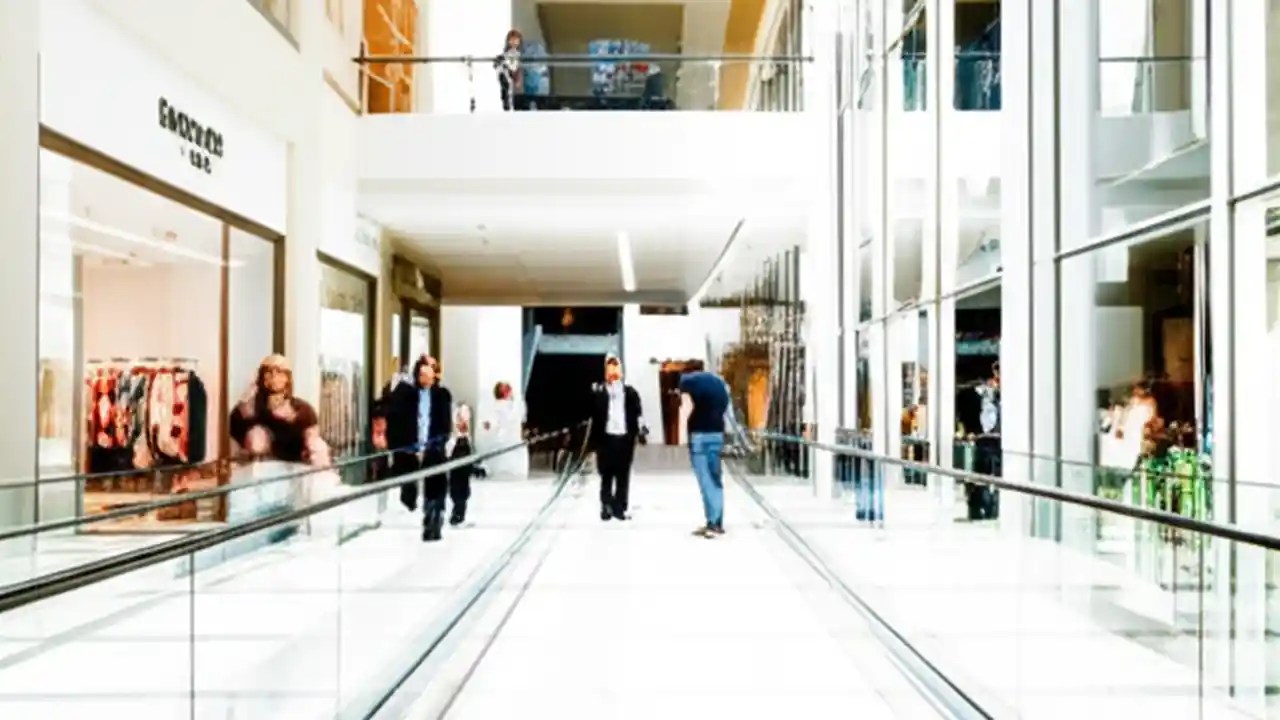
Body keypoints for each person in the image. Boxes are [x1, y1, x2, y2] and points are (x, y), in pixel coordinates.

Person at [373, 355, 454, 542]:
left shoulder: (442, 395)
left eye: (431, 370)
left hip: (433, 447)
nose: (426, 375)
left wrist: (441, 442)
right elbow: (390, 415)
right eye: (423, 370)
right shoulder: (405, 392)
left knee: (435, 485)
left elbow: (445, 423)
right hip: (410, 447)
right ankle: (412, 506)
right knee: (408, 490)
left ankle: (433, 522)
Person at [229, 354, 330, 468]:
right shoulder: (248, 409)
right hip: (260, 469)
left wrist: (295, 421)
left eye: (279, 372)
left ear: (287, 378)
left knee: (318, 446)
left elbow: (312, 436)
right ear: (261, 377)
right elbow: (234, 441)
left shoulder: (302, 409)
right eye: (268, 372)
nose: (274, 376)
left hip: (295, 467)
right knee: (256, 438)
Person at [679, 360, 732, 538]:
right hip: (717, 434)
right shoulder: (719, 382)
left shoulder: (687, 381)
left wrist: (680, 436)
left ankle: (714, 525)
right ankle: (714, 521)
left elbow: (686, 407)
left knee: (706, 481)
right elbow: (727, 408)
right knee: (715, 479)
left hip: (699, 435)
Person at [588, 355, 644, 521]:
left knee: (622, 475)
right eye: (610, 368)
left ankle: (620, 507)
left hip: (624, 438)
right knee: (606, 474)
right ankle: (606, 505)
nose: (613, 373)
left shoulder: (630, 392)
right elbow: (593, 414)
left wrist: (640, 430)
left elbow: (638, 412)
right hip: (606, 439)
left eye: (616, 368)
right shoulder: (600, 392)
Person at [478, 381, 529, 479]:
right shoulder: (499, 406)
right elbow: (493, 420)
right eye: (506, 389)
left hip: (512, 439)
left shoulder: (514, 406)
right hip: (505, 440)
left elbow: (520, 418)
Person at [446, 404, 481, 526]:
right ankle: (457, 517)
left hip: (463, 476)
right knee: (458, 494)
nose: (465, 423)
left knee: (463, 495)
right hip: (457, 475)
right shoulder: (454, 441)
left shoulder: (467, 440)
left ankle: (459, 516)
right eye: (461, 420)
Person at [495, 29, 524, 111]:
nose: (513, 42)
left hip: (515, 81)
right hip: (507, 80)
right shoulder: (507, 54)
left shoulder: (520, 54)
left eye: (516, 40)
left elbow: (515, 67)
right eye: (511, 40)